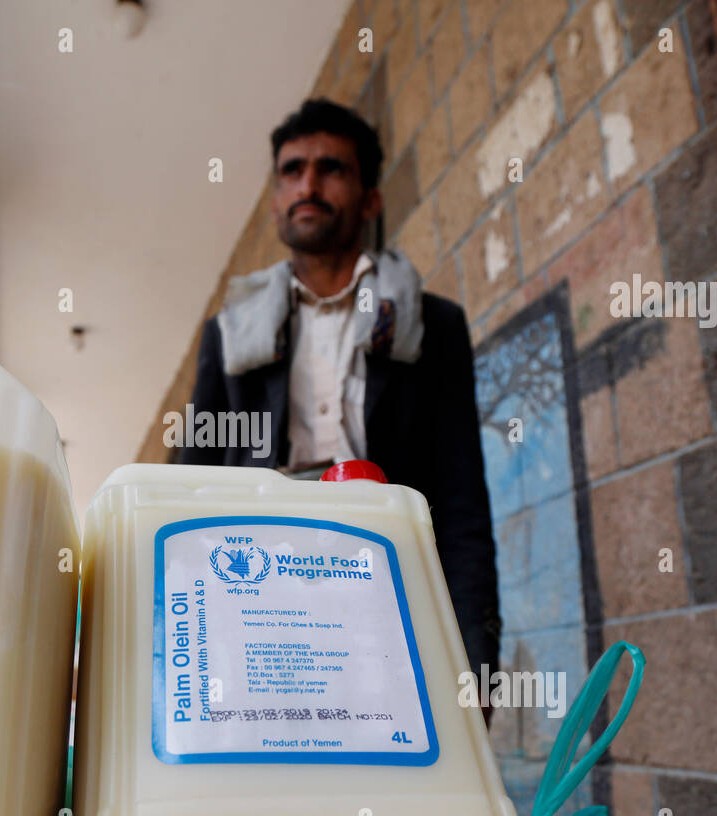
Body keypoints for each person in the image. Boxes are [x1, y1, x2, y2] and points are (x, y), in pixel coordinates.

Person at [178, 99, 502, 719]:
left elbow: (461, 505)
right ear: (275, 201)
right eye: (292, 170)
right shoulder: (229, 335)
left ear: (370, 198)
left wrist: (476, 664)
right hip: (254, 591)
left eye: (332, 169)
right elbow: (191, 482)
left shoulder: (432, 326)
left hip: (389, 587)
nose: (308, 184)